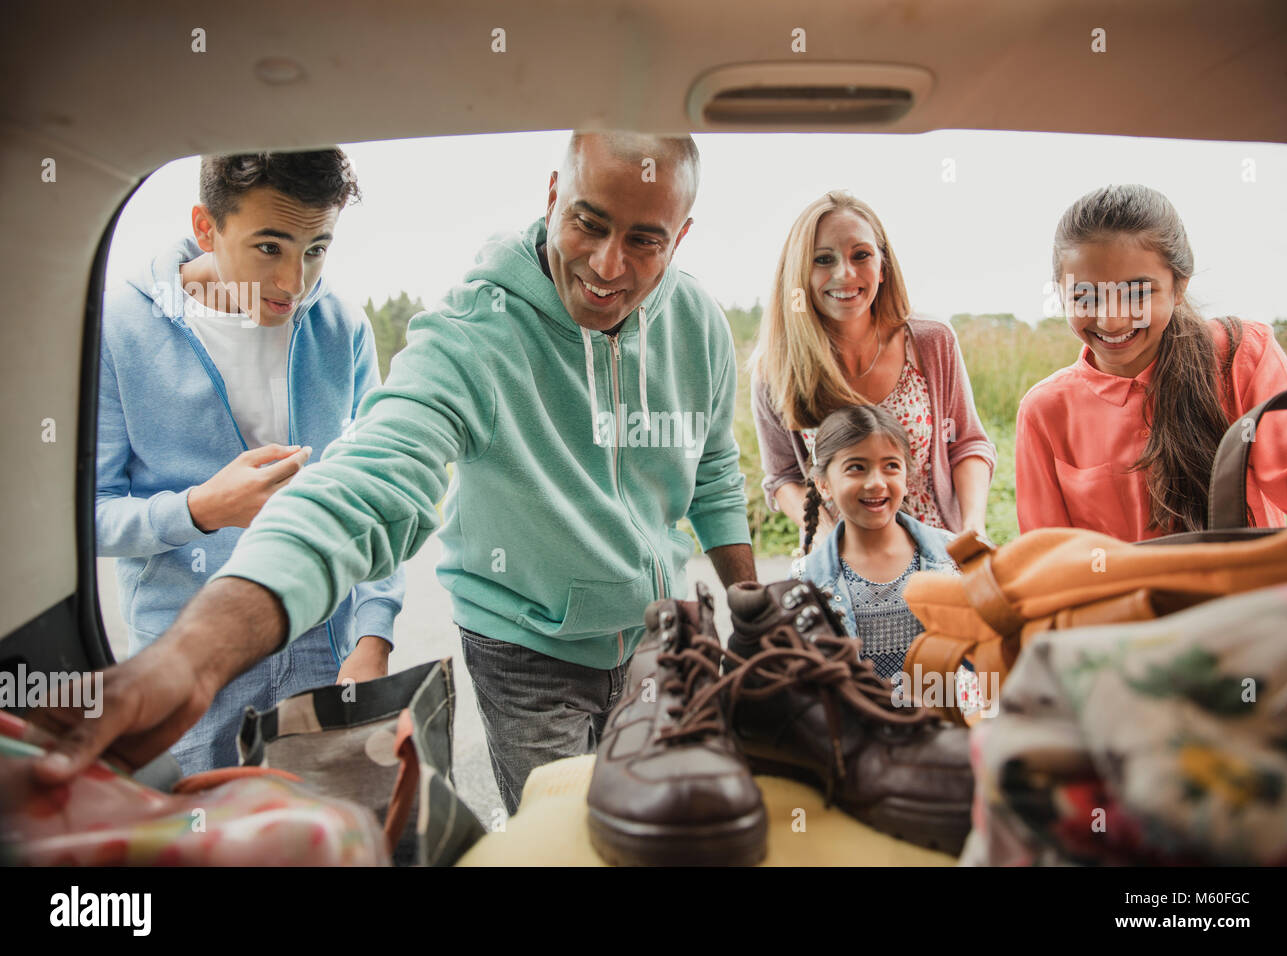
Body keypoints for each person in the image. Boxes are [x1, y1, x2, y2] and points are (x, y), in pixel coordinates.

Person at [46, 132, 756, 816]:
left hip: (663, 641)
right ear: (552, 197)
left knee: (667, 832)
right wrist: (194, 656)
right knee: (563, 835)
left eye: (644, 241)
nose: (607, 265)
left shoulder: (696, 320)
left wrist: (753, 607)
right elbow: (369, 485)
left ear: (680, 237)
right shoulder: (473, 332)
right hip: (528, 652)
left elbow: (715, 468)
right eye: (588, 224)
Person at [94, 149, 406, 773]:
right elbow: (89, 516)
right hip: (188, 656)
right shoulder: (119, 328)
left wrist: (373, 635)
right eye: (271, 247)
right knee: (199, 843)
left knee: (330, 842)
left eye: (317, 248)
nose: (295, 281)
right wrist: (200, 511)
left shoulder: (342, 328)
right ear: (206, 228)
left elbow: (377, 492)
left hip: (326, 646)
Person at [1016, 183, 1287, 541]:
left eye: (1137, 292)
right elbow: (1048, 558)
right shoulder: (1045, 410)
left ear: (1178, 287)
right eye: (1084, 295)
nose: (1112, 321)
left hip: (1241, 595)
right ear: (1059, 293)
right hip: (1120, 598)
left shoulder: (1242, 355)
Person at [751, 190, 995, 553]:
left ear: (883, 266)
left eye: (860, 255)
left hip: (939, 556)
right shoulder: (776, 368)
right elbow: (784, 478)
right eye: (822, 259)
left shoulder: (931, 342)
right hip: (847, 561)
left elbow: (968, 443)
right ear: (800, 274)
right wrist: (830, 546)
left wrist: (972, 527)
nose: (844, 273)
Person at [790, 404, 982, 718]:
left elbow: (983, 661)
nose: (876, 482)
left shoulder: (952, 559)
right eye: (856, 467)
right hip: (860, 739)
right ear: (823, 484)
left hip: (940, 734)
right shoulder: (805, 580)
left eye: (890, 466)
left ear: (907, 476)